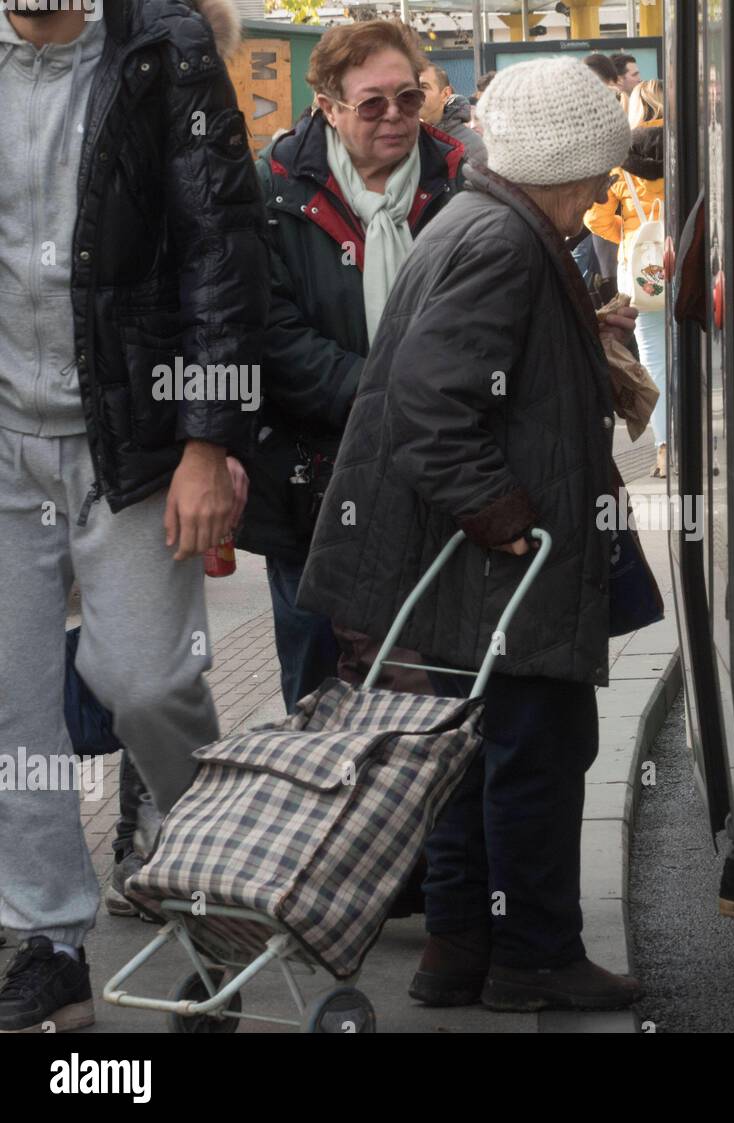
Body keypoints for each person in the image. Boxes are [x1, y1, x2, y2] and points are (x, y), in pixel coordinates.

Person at [297, 57, 648, 1012]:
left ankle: (457, 949)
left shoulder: (482, 219)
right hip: (489, 567)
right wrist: (505, 517)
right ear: (560, 167)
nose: (601, 192)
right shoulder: (505, 240)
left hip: (457, 570)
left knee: (464, 755)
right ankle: (535, 953)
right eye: (595, 175)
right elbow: (431, 403)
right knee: (540, 750)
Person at [0, 0, 266, 1033]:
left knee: (147, 683)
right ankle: (54, 943)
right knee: (14, 709)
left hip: (133, 436)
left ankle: (212, 911)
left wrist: (211, 442)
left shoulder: (164, 46)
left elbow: (221, 250)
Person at [236, 19, 464, 714]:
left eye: (409, 96)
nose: (395, 117)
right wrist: (382, 394)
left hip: (439, 470)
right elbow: (267, 331)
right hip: (315, 482)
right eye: (372, 104)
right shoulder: (272, 191)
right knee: (318, 680)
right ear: (328, 108)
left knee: (442, 676)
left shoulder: (459, 182)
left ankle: (439, 817)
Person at [584, 78, 669, 476]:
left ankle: (664, 446)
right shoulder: (692, 146)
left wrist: (629, 236)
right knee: (687, 354)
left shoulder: (621, 157)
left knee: (651, 355)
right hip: (685, 258)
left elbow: (595, 215)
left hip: (643, 269)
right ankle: (690, 434)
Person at [419, 61, 487, 165]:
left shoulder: (471, 145)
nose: (415, 93)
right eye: (411, 87)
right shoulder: (404, 138)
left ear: (445, 94)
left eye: (423, 87)